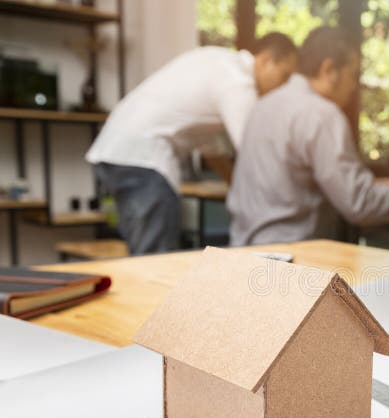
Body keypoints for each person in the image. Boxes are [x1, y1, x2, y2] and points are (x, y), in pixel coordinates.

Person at [227, 27, 389, 246]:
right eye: (353, 73)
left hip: (242, 251)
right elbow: (360, 205)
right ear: (329, 70)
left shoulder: (263, 105)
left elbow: (285, 185)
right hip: (291, 261)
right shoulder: (321, 114)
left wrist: (369, 185)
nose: (354, 86)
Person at [86, 33, 298, 254]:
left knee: (143, 255)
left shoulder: (218, 62)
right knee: (154, 259)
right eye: (284, 76)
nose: (281, 86)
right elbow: (254, 150)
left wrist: (233, 187)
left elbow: (212, 151)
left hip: (115, 152)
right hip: (142, 157)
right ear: (266, 60)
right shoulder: (237, 81)